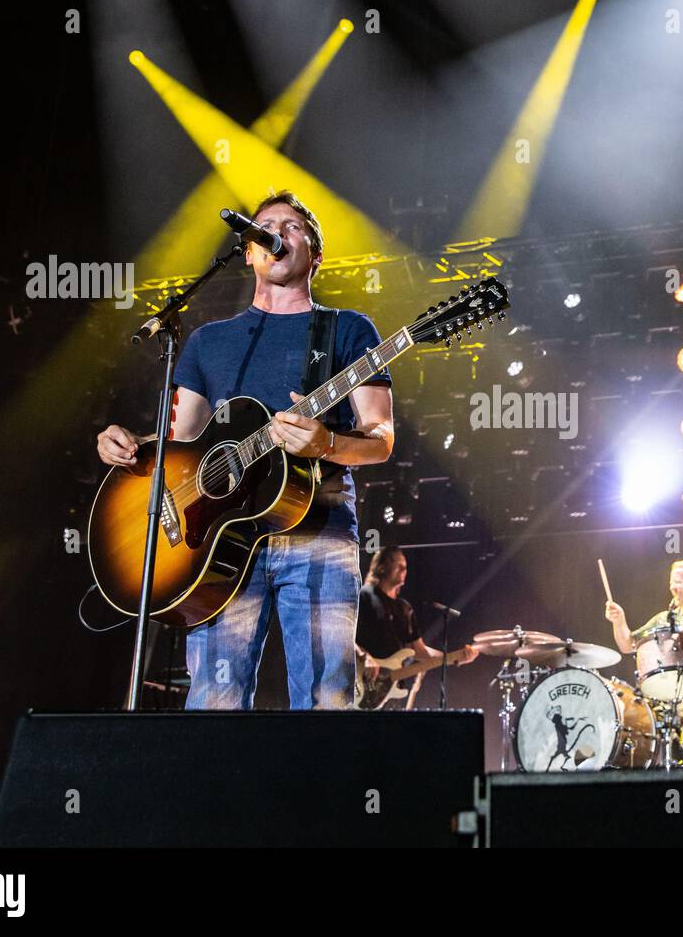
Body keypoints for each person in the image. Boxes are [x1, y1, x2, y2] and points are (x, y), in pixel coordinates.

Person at [95, 190, 395, 710]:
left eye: (293, 225)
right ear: (251, 251)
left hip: (318, 531)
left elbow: (381, 440)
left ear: (315, 254)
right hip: (218, 545)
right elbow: (182, 444)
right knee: (214, 701)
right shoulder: (209, 341)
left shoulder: (347, 329)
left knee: (328, 699)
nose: (278, 231)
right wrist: (132, 447)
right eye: (266, 226)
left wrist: (325, 442)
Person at [355, 546, 477, 709]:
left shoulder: (404, 608)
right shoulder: (364, 596)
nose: (404, 569)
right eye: (398, 564)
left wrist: (456, 657)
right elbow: (343, 635)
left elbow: (420, 651)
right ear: (382, 567)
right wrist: (366, 657)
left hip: (390, 690)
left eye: (405, 565)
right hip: (361, 681)